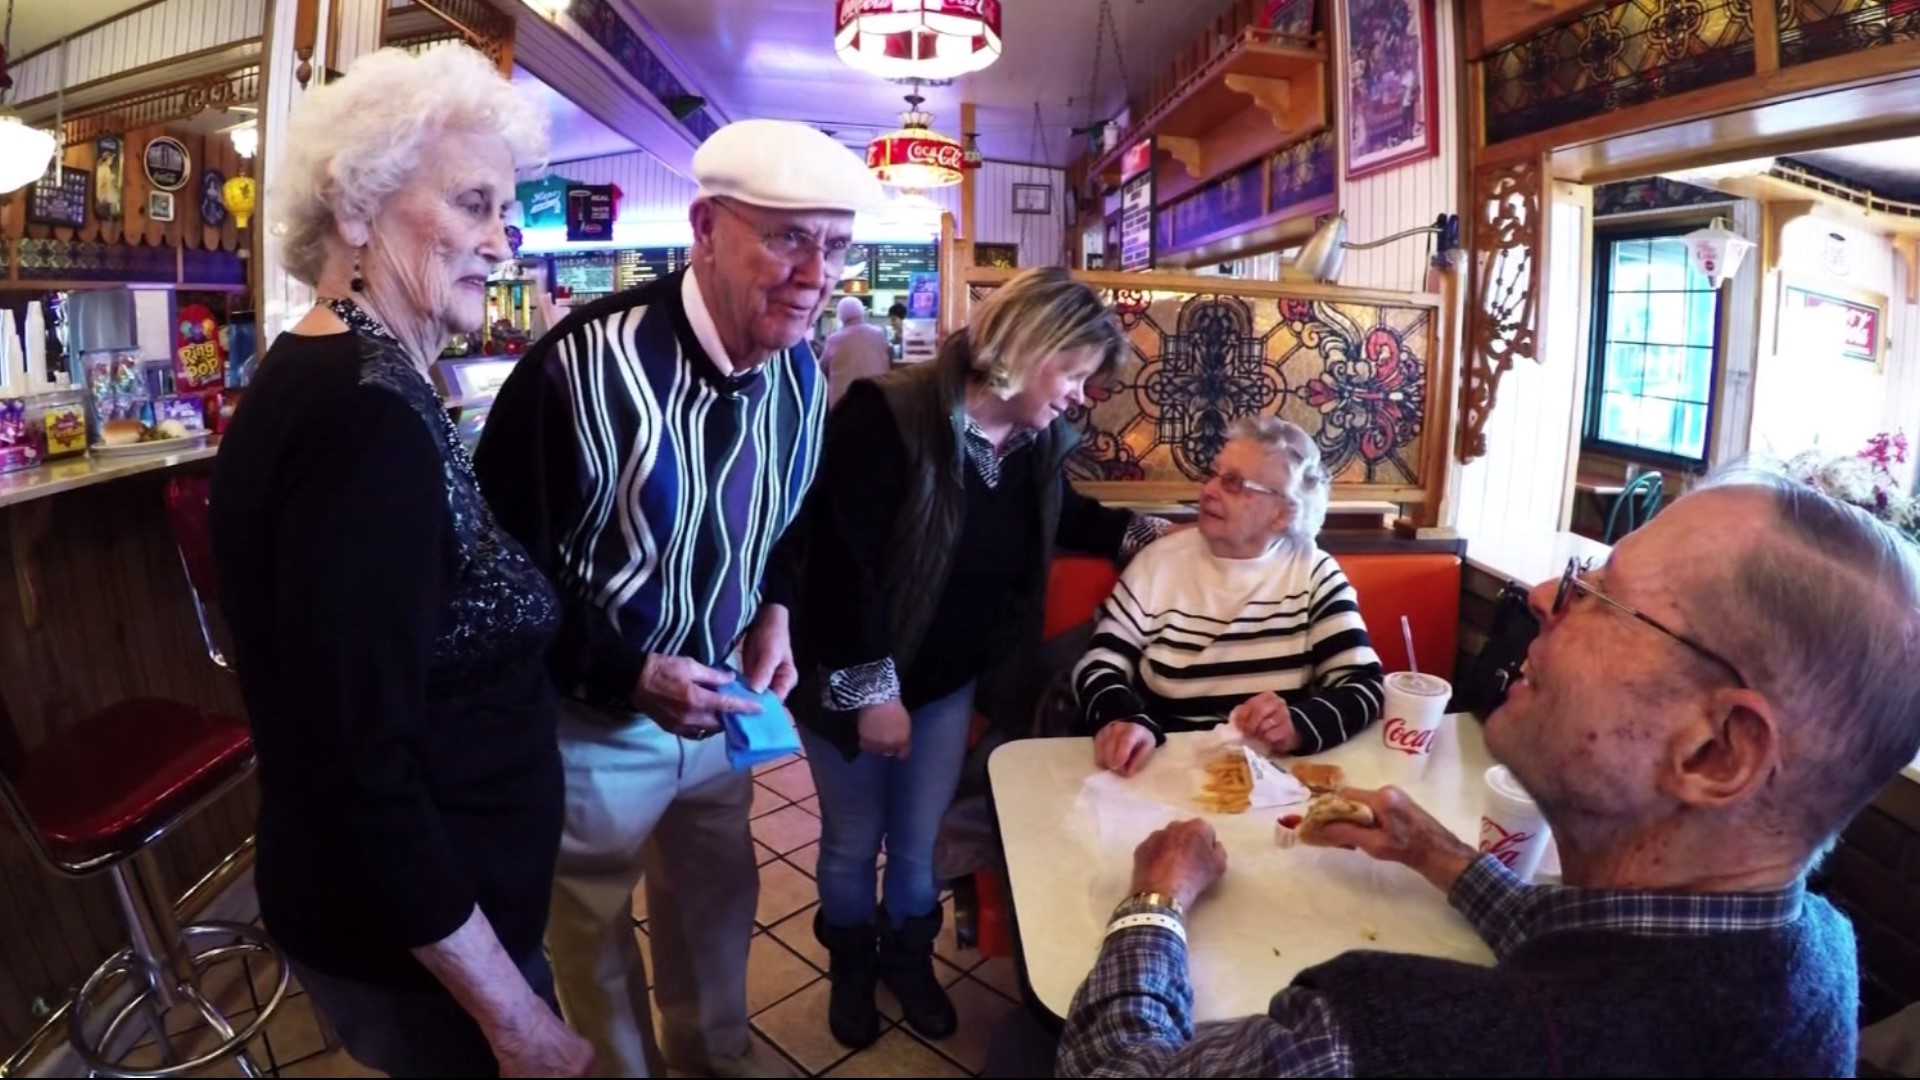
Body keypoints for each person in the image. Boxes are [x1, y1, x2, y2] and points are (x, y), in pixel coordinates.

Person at [1056, 471, 1920, 1076]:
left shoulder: (1391, 1034)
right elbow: (1600, 953)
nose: (1542, 595)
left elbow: (1112, 1071)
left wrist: (1156, 902)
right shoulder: (1818, 953)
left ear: (1716, 754)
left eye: (1597, 594)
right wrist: (1435, 853)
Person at [474, 119, 888, 1079]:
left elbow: (787, 519)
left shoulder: (799, 373)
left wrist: (775, 608)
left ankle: (715, 1060)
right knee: (590, 932)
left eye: (834, 245)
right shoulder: (577, 367)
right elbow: (499, 581)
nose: (815, 274)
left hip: (722, 708)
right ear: (704, 229)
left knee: (715, 904)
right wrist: (627, 672)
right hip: (590, 725)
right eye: (787, 238)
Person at [208, 46, 590, 1078]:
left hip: (431, 917)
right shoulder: (363, 417)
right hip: (423, 954)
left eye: (505, 212)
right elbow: (355, 763)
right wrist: (512, 1018)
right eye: (472, 205)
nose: (502, 242)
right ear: (356, 209)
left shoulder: (367, 375)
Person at [786, 267, 1170, 1051]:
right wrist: (872, 692)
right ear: (1028, 347)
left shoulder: (1032, 440)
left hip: (947, 682)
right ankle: (853, 968)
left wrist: (1152, 538)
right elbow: (836, 564)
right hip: (848, 679)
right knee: (853, 841)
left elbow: (1065, 516)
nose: (1080, 397)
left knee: (920, 841)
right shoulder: (888, 413)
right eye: (1074, 375)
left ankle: (908, 961)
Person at [1075, 417, 1384, 776]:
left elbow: (1363, 685)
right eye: (1214, 474)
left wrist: (1298, 724)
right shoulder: (1158, 563)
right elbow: (1099, 665)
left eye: (1234, 483)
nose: (1208, 490)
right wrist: (1123, 719)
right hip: (1159, 767)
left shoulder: (1312, 571)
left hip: (1272, 777)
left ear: (1282, 513)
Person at [820, 295, 892, 407]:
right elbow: (889, 355)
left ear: (841, 315)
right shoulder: (879, 334)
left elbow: (821, 368)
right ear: (862, 312)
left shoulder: (834, 339)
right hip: (877, 398)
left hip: (843, 404)